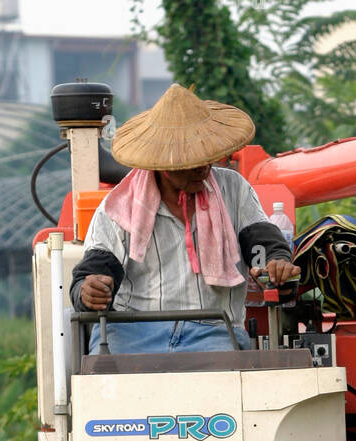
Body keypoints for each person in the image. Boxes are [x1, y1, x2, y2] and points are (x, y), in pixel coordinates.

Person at [69, 83, 300, 354]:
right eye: (190, 162)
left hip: (214, 329)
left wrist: (275, 264)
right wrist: (90, 291)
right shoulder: (118, 205)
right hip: (132, 333)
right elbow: (94, 271)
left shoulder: (233, 189)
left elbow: (261, 242)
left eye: (207, 157)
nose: (203, 168)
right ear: (162, 165)